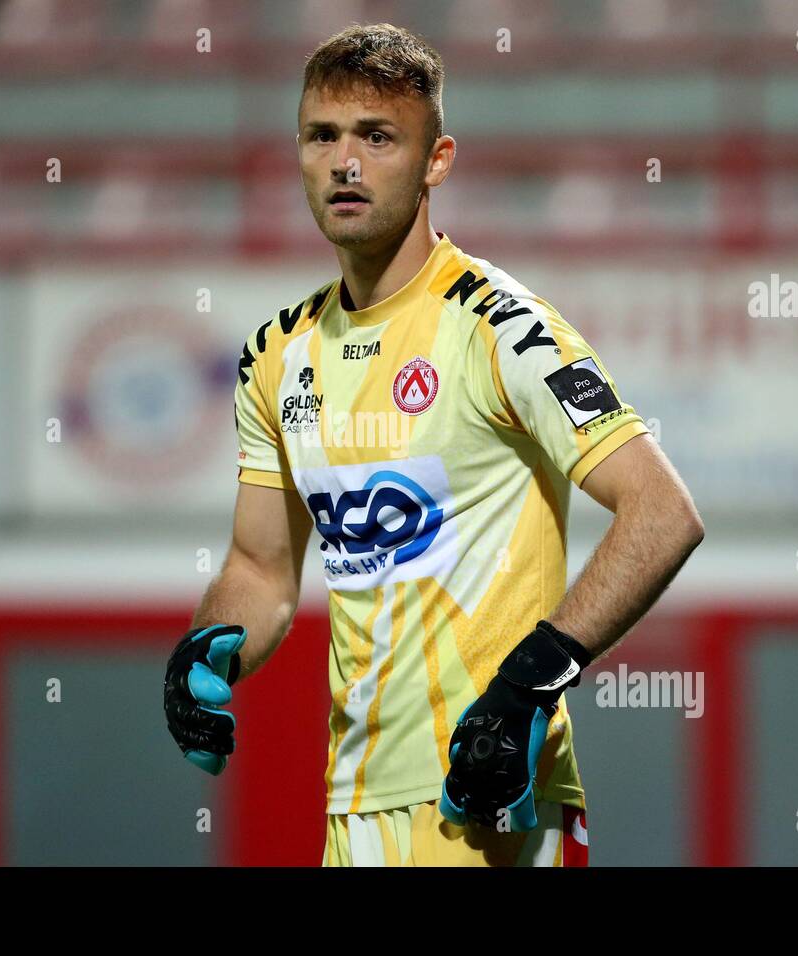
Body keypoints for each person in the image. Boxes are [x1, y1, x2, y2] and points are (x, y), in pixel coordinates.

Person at [163, 23, 703, 867]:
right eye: (323, 136)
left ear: (437, 160)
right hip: (353, 806)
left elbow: (663, 512)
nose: (346, 162)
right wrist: (205, 650)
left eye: (378, 137)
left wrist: (530, 685)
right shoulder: (276, 355)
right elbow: (261, 570)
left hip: (489, 796)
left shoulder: (500, 326)